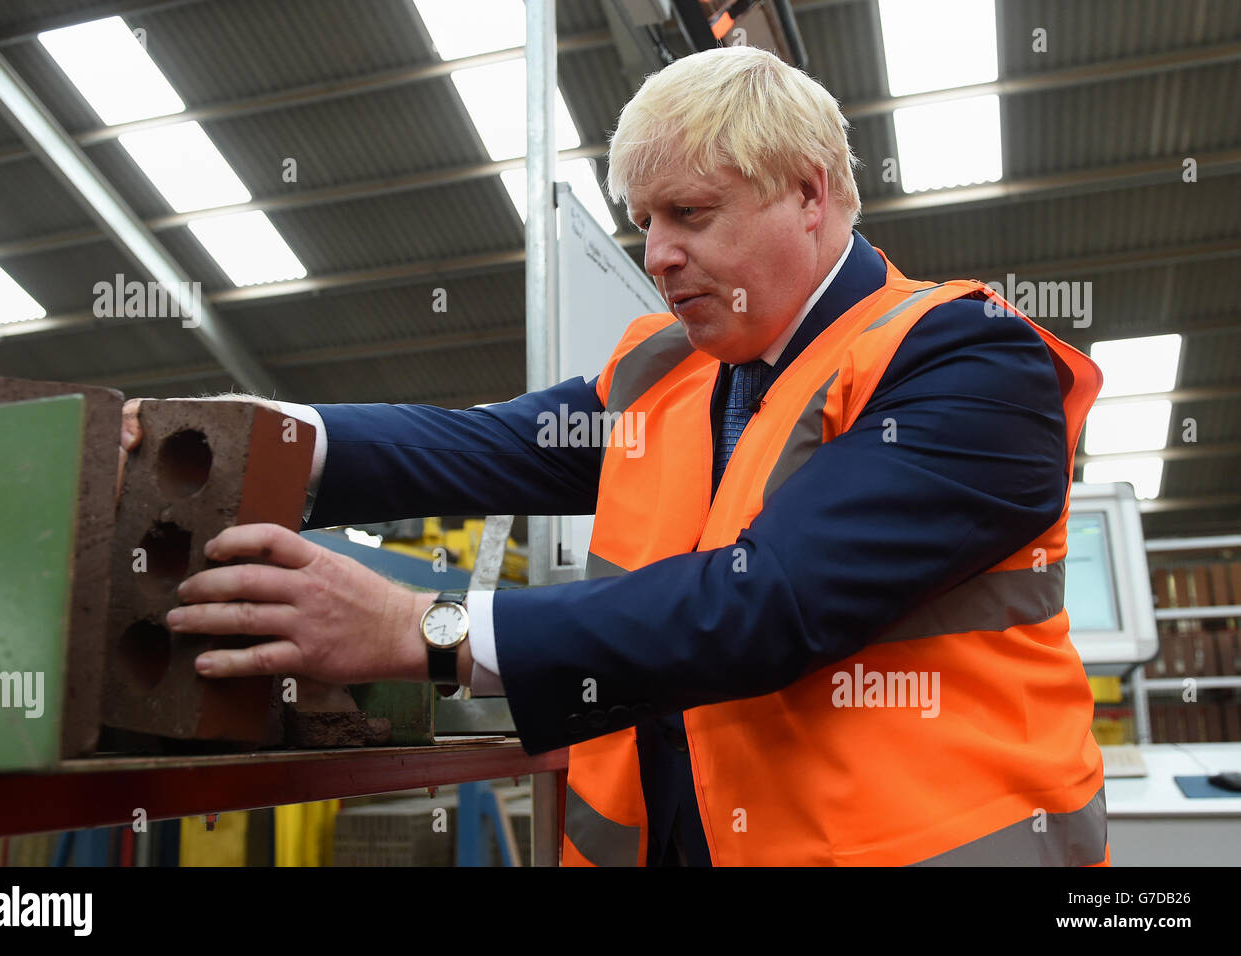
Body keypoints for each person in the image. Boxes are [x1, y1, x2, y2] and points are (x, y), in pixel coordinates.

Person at [120, 46, 1108, 866]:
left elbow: (767, 603)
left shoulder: (968, 359)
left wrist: (423, 629)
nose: (657, 254)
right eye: (644, 221)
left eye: (689, 214)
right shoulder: (664, 375)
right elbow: (476, 444)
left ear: (809, 194)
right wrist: (246, 426)